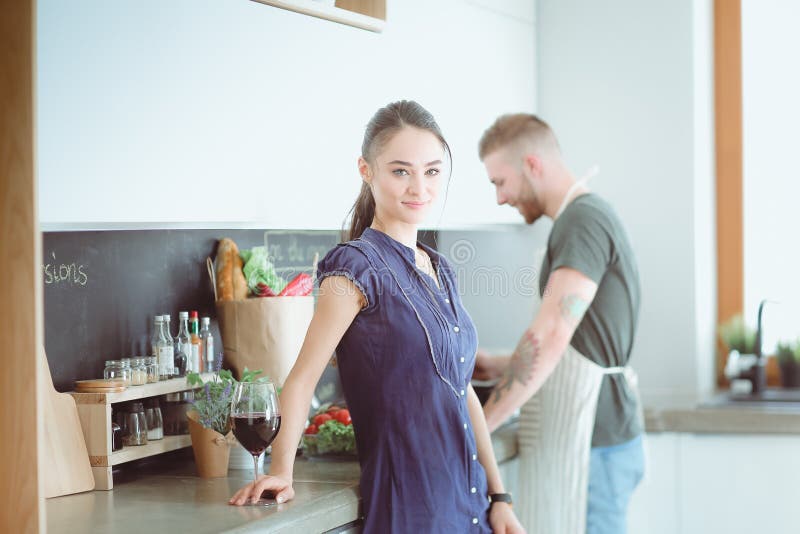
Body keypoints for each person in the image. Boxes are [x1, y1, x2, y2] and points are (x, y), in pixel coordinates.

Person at [229, 101, 524, 533]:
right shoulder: (353, 267)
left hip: (470, 502)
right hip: (413, 508)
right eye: (401, 171)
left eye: (432, 171)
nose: (418, 187)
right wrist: (282, 472)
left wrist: (500, 498)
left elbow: (462, 392)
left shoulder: (441, 268)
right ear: (366, 171)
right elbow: (302, 378)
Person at [473, 113, 644, 534]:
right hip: (600, 437)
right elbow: (580, 337)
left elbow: (550, 335)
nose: (499, 198)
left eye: (500, 182)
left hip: (596, 440)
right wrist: (497, 364)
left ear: (533, 165)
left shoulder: (582, 221)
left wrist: (479, 426)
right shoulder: (581, 218)